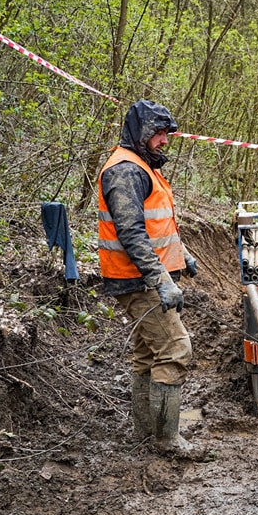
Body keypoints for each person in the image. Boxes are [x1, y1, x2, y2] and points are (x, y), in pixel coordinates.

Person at [98, 100, 197, 453]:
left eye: (166, 134)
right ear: (140, 133)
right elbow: (131, 234)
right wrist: (161, 280)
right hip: (138, 280)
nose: (165, 141)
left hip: (142, 277)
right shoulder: (126, 171)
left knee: (146, 353)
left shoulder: (142, 166)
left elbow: (157, 224)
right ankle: (167, 438)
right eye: (158, 134)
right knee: (174, 348)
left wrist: (182, 255)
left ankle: (144, 431)